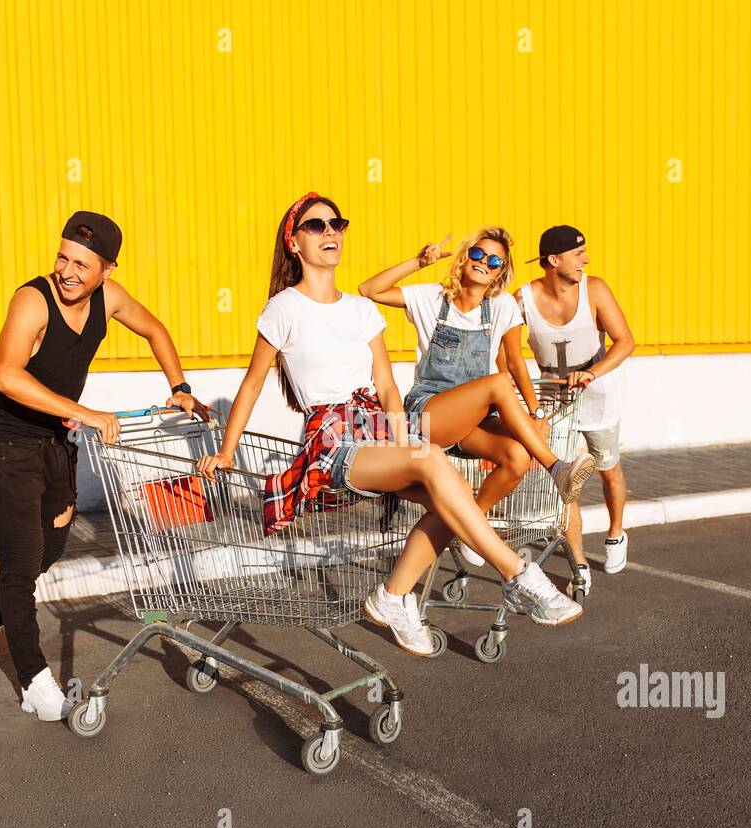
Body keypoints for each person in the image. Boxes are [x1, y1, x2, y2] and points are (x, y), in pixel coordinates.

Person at [196, 193, 583, 656]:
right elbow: (253, 384)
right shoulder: (284, 308)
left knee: (448, 500)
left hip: (378, 430)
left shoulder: (361, 312)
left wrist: (404, 440)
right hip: (334, 440)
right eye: (317, 226)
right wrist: (225, 450)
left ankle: (392, 597)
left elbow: (386, 385)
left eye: (336, 224)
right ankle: (519, 576)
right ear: (294, 243)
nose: (331, 233)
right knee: (437, 464)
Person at [0, 211, 208, 720]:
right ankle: (34, 681)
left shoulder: (110, 300)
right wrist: (83, 412)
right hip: (10, 446)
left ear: (107, 270)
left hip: (56, 445)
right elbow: (6, 375)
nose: (68, 271)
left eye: (82, 264)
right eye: (62, 257)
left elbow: (155, 330)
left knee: (50, 551)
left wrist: (180, 388)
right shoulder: (32, 300)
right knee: (22, 562)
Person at [356, 228, 597, 574]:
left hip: (471, 420)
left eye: (495, 260)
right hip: (428, 414)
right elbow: (369, 290)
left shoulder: (500, 307)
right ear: (465, 257)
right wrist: (420, 261)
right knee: (498, 385)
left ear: (500, 273)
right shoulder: (432, 299)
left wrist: (537, 413)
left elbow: (515, 362)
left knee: (516, 456)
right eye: (478, 255)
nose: (485, 263)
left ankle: (471, 525)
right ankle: (556, 468)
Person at [516, 225, 635, 585]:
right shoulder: (522, 298)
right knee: (564, 479)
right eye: (577, 253)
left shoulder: (594, 288)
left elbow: (625, 341)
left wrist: (593, 373)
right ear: (553, 260)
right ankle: (579, 562)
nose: (586, 258)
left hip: (596, 391)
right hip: (552, 395)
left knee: (608, 468)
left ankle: (615, 533)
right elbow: (499, 343)